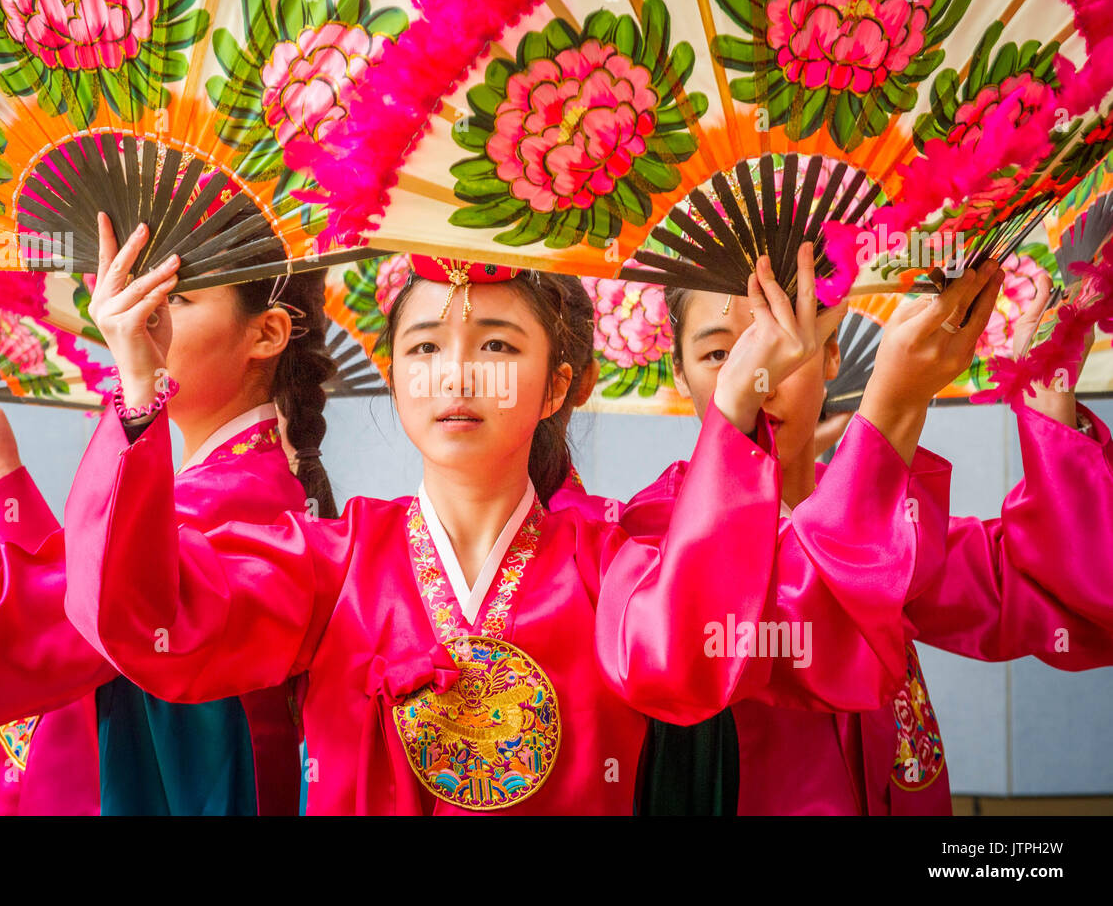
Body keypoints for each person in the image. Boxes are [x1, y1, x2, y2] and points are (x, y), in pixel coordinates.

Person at [60, 237, 951, 814]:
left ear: (556, 384)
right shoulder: (330, 566)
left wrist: (738, 405)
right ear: (399, 381)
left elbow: (692, 661)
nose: (457, 375)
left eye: (496, 345)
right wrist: (140, 387)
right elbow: (149, 622)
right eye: (423, 349)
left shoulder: (615, 560)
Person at [0, 206, 334, 815]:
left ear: (266, 333)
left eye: (174, 298)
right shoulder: (227, 491)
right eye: (132, 289)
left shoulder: (229, 505)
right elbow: (77, 620)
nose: (135, 315)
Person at [631, 259, 1113, 814]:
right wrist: (894, 408)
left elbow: (1068, 593)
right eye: (720, 354)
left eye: (787, 338)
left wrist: (1048, 400)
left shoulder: (891, 524)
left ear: (833, 352)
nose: (757, 377)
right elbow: (790, 619)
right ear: (679, 372)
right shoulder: (648, 543)